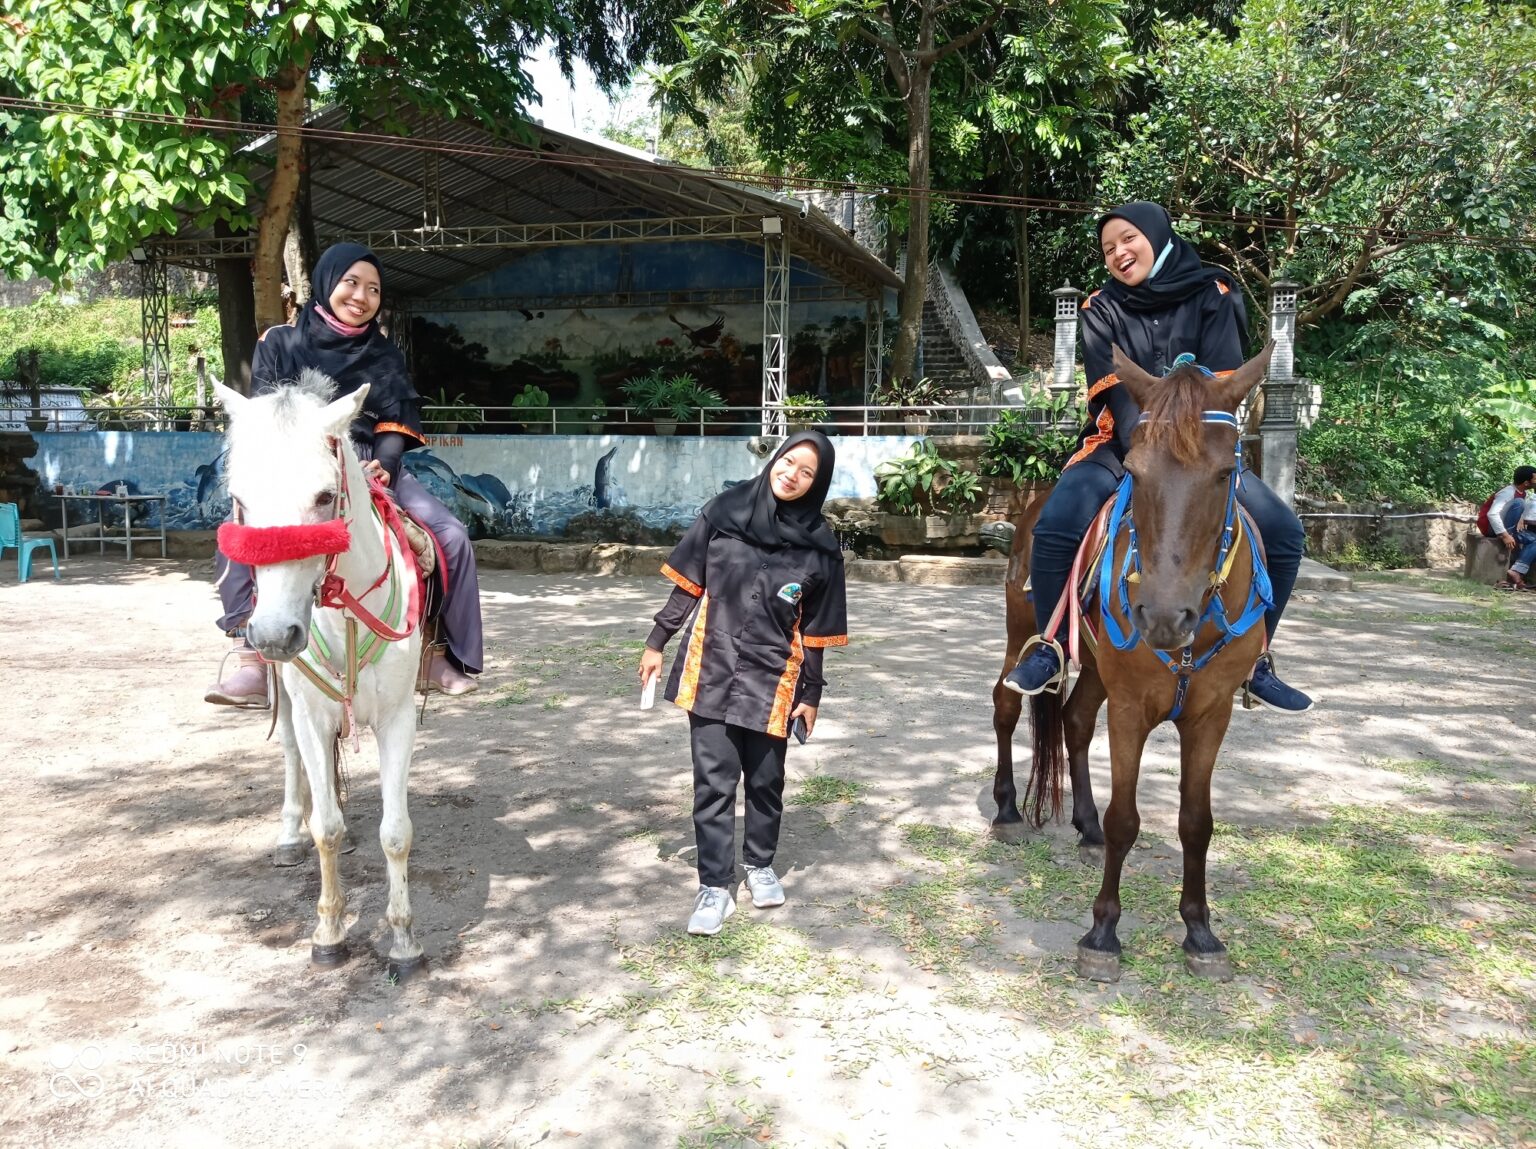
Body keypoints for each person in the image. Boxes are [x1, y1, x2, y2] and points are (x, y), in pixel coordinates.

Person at [1002, 201, 1311, 712]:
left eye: (1128, 239)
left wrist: (1186, 454)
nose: (1119, 252)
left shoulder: (1214, 294)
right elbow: (1119, 393)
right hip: (1120, 443)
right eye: (1108, 248)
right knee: (1055, 523)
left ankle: (1257, 658)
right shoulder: (1100, 309)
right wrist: (1148, 451)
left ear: (1156, 235)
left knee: (1284, 532)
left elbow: (1222, 386)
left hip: (1199, 453)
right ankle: (1051, 645)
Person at [205, 243, 483, 704]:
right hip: (297, 463)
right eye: (351, 282)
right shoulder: (279, 342)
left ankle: (432, 652)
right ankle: (251, 659)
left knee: (448, 534)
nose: (361, 296)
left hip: (369, 461)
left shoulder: (384, 354)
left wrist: (387, 465)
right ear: (326, 282)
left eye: (373, 289)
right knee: (242, 532)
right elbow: (268, 414)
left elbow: (397, 419)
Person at [638, 432, 849, 936]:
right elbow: (688, 582)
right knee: (713, 784)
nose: (792, 475)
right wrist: (656, 640)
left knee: (765, 781)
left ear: (816, 484)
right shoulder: (723, 512)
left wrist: (812, 694)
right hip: (711, 667)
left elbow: (816, 630)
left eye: (807, 473)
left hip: (776, 679)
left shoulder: (820, 546)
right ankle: (714, 885)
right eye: (788, 462)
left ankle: (759, 864)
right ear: (775, 459)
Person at [1480, 465, 1536, 589]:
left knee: (1534, 540)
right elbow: (1492, 514)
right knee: (1519, 503)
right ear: (1526, 482)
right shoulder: (1508, 492)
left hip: (1508, 529)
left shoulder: (1523, 494)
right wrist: (1505, 535)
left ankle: (1516, 570)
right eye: (1535, 479)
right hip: (1492, 529)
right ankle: (1510, 535)